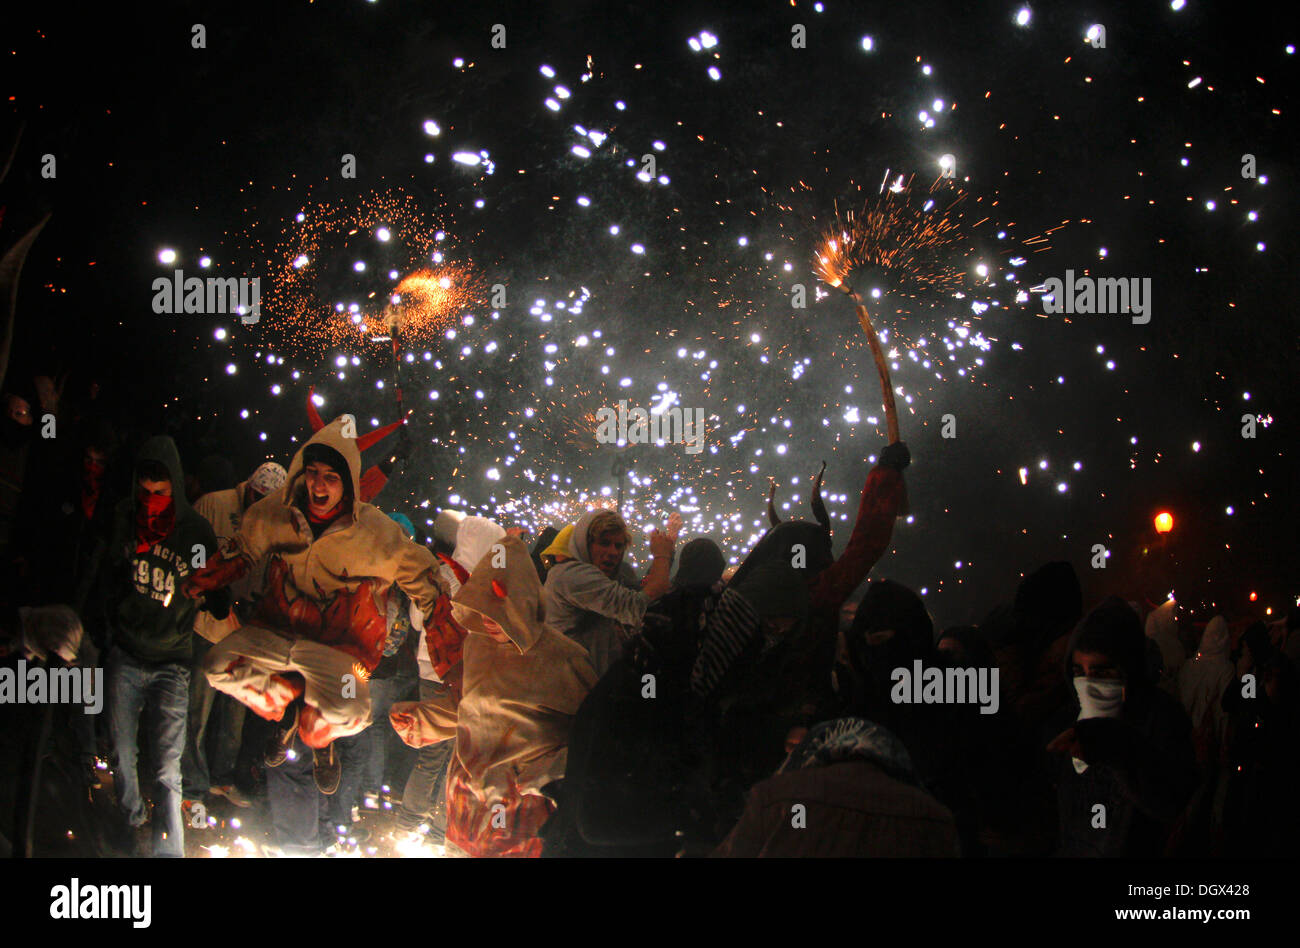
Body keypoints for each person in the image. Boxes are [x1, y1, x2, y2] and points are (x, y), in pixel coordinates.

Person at [182, 416, 449, 814]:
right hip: (279, 635)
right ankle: (288, 697)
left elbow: (428, 585)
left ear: (348, 482)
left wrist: (451, 645)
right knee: (218, 664)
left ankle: (318, 735)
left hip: (344, 656)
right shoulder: (278, 511)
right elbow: (244, 548)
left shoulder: (378, 534)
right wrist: (211, 575)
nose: (317, 485)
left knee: (351, 709)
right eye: (311, 473)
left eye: (330, 476)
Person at [391, 536, 597, 857]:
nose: (486, 618)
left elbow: (592, 733)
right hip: (466, 798)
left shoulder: (563, 657)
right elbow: (474, 709)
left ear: (523, 601)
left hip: (524, 808)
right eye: (480, 605)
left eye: (497, 607)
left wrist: (539, 772)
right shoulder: (476, 645)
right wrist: (424, 721)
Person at [98, 436, 228, 857]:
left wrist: (206, 588)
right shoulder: (125, 516)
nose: (153, 500)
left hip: (173, 659)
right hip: (127, 650)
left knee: (167, 766)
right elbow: (109, 573)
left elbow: (218, 594)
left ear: (175, 485)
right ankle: (132, 818)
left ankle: (168, 851)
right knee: (120, 750)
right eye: (146, 492)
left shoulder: (192, 531)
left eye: (162, 493)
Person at [1047, 597, 1196, 857]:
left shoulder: (1161, 718)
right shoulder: (1069, 721)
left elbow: (1170, 802)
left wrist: (1119, 748)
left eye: (1101, 672)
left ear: (1127, 668)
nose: (1087, 684)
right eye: (1078, 672)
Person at [182, 461, 287, 812]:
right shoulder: (214, 505)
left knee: (234, 716)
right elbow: (188, 552)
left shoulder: (275, 521)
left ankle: (222, 777)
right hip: (206, 624)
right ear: (249, 488)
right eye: (256, 499)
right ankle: (191, 785)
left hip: (245, 633)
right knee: (197, 710)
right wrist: (205, 591)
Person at [543, 508, 676, 678]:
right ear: (584, 543)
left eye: (618, 545)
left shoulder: (604, 576)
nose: (613, 552)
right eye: (604, 543)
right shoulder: (573, 575)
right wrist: (662, 555)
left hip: (584, 684)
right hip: (571, 689)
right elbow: (637, 606)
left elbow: (642, 591)